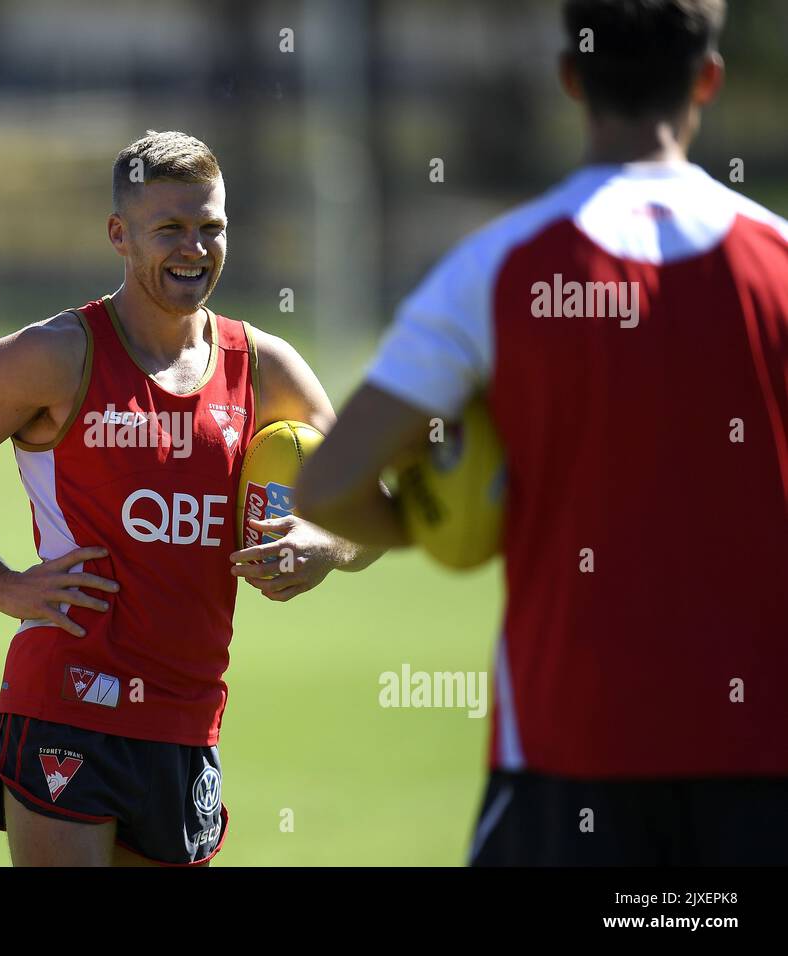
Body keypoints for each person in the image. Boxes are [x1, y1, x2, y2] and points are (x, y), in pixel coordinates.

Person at [297, 0, 788, 865]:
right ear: (708, 80)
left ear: (573, 78)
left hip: (569, 763)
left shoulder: (497, 267)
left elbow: (327, 484)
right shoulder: (778, 262)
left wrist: (436, 520)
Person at [0, 130, 380, 866]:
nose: (194, 249)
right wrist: (0, 582)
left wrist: (324, 545)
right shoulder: (58, 355)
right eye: (170, 229)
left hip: (187, 718)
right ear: (120, 234)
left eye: (211, 229)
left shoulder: (264, 366)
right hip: (67, 703)